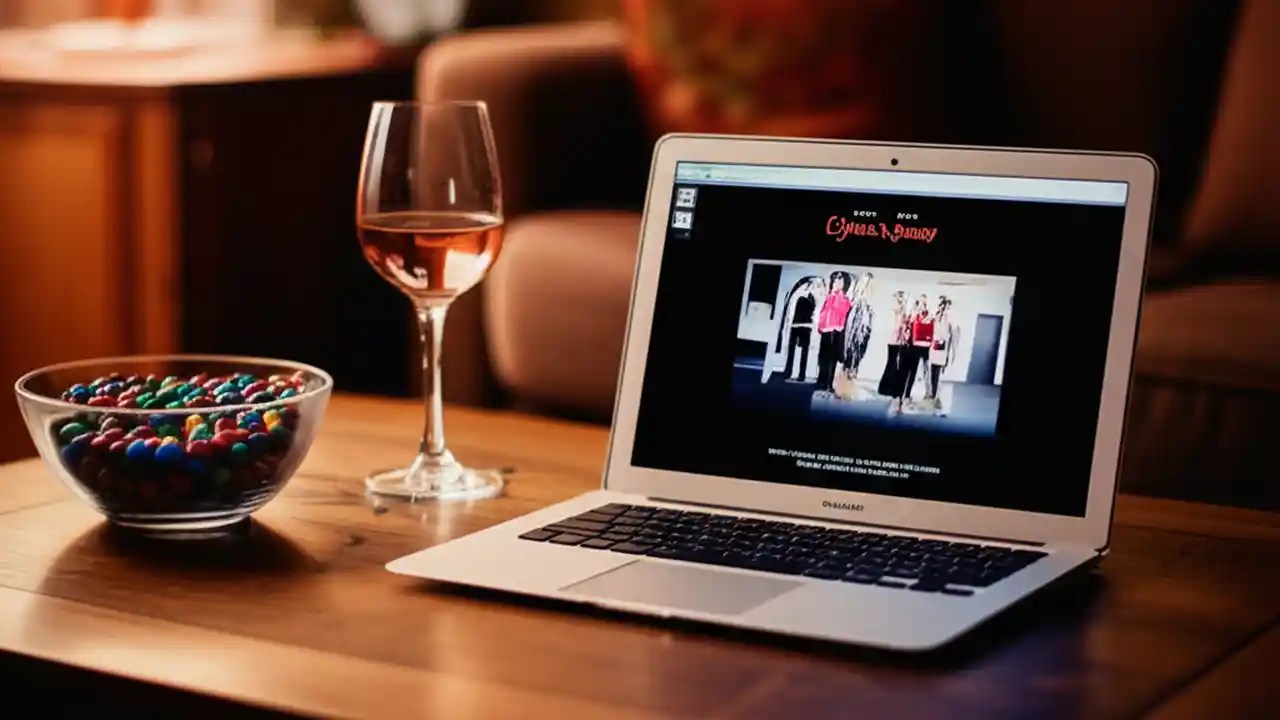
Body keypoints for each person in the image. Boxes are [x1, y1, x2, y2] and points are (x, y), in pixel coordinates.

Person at [815, 271, 853, 393]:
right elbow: (823, 312)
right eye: (835, 280)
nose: (837, 283)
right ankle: (821, 381)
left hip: (836, 330)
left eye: (839, 281)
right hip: (826, 330)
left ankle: (828, 383)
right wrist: (820, 326)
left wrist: (833, 295)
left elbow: (841, 311)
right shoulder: (829, 296)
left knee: (832, 358)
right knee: (823, 357)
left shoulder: (844, 299)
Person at [878, 290, 911, 407]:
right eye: (900, 300)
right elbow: (896, 326)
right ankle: (885, 388)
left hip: (898, 340)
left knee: (895, 365)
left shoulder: (902, 312)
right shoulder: (895, 312)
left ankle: (890, 388)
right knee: (891, 363)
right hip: (894, 340)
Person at [783, 277, 820, 381]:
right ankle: (789, 372)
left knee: (804, 351)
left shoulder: (815, 297)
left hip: (806, 326)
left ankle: (801, 374)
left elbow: (815, 313)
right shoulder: (799, 294)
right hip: (796, 324)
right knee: (792, 349)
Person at [927, 296, 959, 414]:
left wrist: (952, 355)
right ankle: (932, 395)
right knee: (932, 375)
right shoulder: (937, 318)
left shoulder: (950, 320)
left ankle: (937, 399)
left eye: (945, 307)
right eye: (942, 306)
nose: (943, 309)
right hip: (934, 350)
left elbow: (953, 336)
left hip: (943, 351)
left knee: (939, 376)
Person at [841, 272, 875, 383]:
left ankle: (852, 372)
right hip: (853, 328)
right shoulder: (855, 298)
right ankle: (845, 374)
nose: (865, 285)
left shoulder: (869, 302)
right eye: (864, 281)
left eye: (868, 282)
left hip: (863, 329)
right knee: (850, 350)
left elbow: (869, 317)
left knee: (860, 350)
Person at [899, 294, 932, 408]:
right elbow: (904, 330)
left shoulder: (926, 317)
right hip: (907, 348)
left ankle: (907, 395)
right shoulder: (911, 316)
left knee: (913, 373)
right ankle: (902, 396)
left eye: (924, 304)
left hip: (918, 349)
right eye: (919, 303)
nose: (921, 306)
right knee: (905, 373)